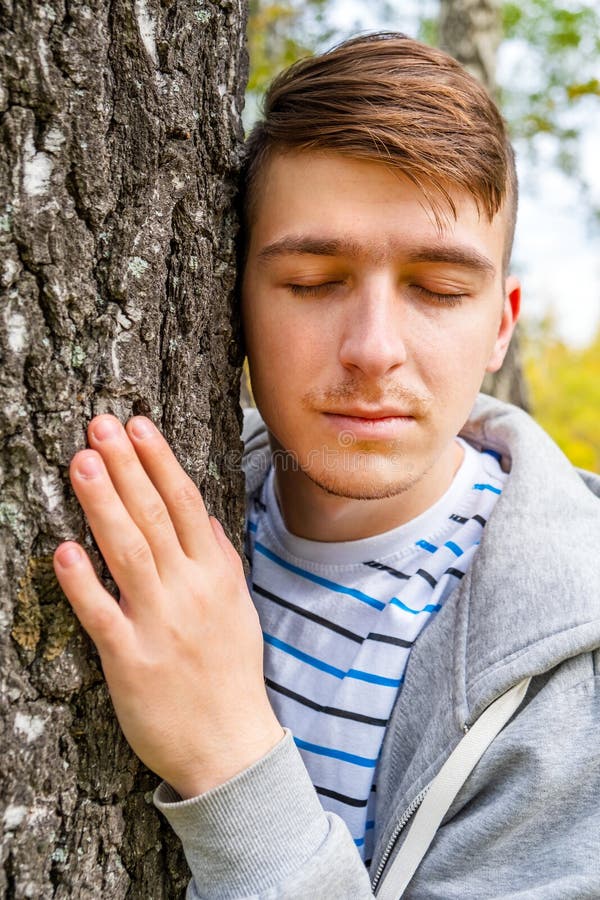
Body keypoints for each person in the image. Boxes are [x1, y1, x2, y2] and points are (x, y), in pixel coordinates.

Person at [53, 33, 600, 899]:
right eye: (312, 280)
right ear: (224, 299)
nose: (374, 350)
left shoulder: (574, 679)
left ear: (502, 323)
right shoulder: (150, 508)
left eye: (440, 289)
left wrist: (230, 757)